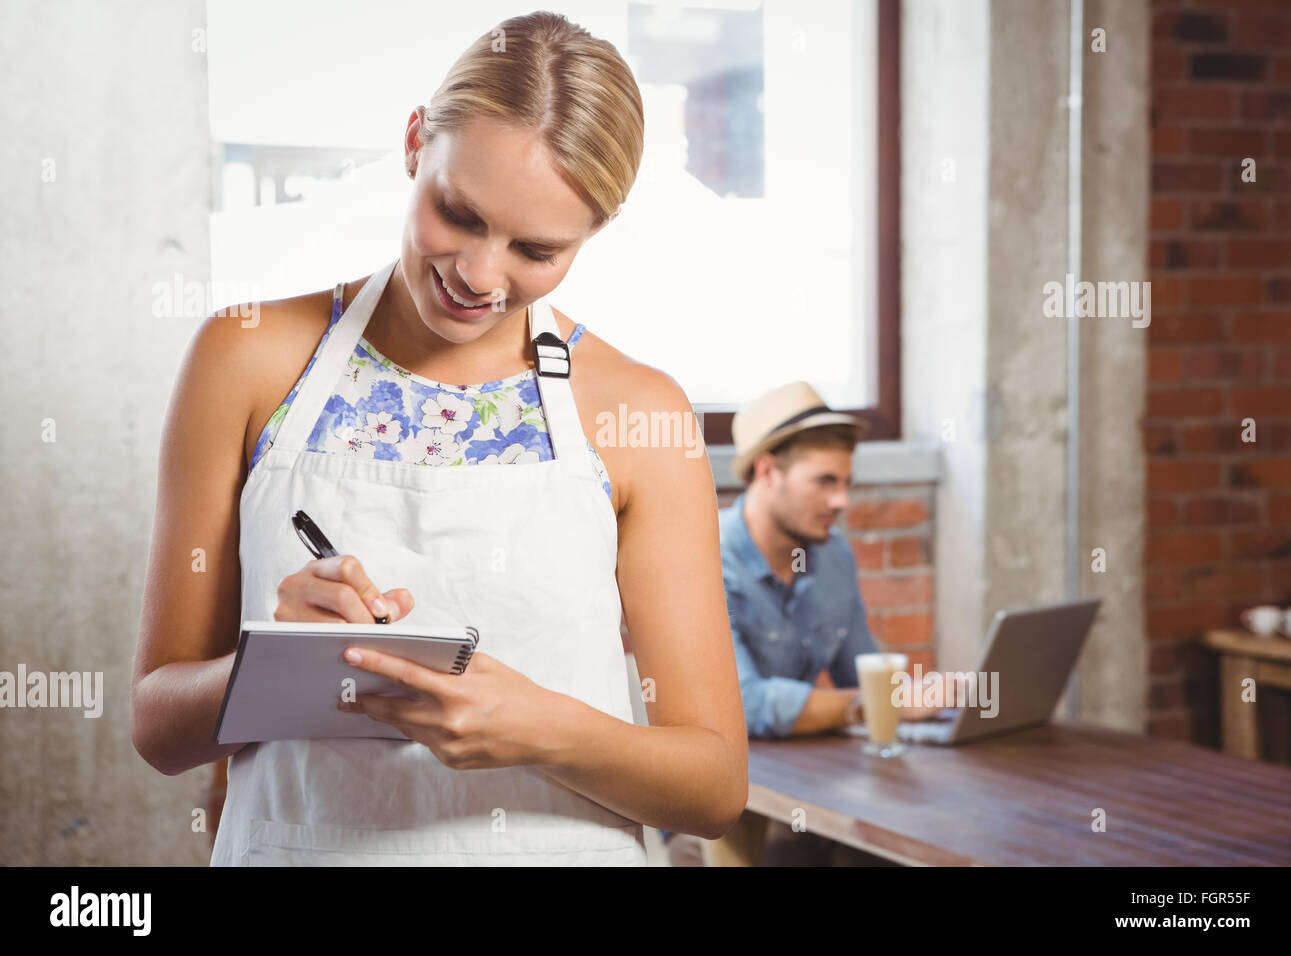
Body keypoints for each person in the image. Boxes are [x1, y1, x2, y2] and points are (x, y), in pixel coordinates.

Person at [131, 11, 747, 866]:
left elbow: (714, 788)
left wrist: (543, 728)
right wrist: (281, 668)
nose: (478, 276)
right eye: (458, 214)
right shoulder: (245, 358)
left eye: (536, 248)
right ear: (417, 141)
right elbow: (159, 728)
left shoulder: (640, 413)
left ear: (596, 230)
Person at [663, 381, 939, 867]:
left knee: (901, 849)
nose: (842, 502)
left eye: (846, 483)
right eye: (825, 481)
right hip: (724, 810)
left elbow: (865, 671)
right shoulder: (704, 559)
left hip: (812, 790)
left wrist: (927, 701)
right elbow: (746, 705)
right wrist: (864, 706)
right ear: (768, 471)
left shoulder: (833, 556)